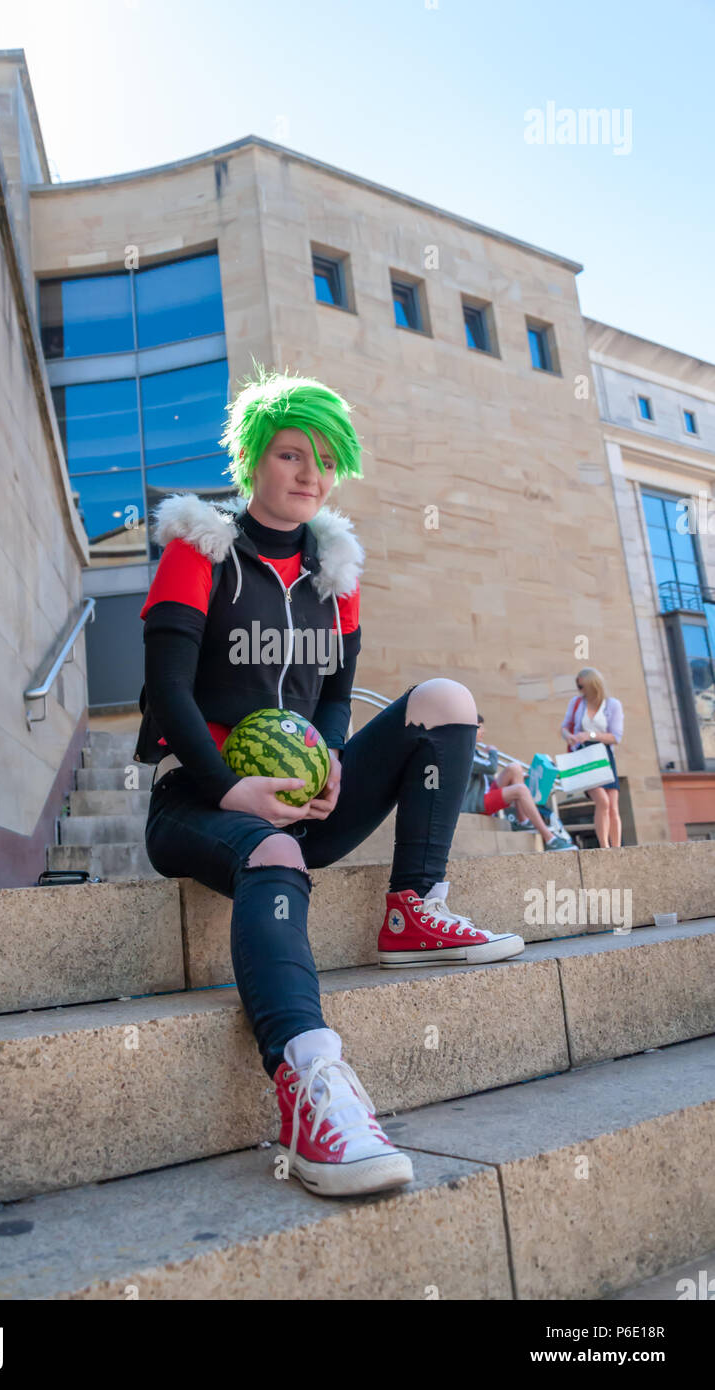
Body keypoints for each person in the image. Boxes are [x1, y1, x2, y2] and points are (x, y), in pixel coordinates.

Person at [138, 364, 525, 1200]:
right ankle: (312, 1088)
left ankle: (412, 906)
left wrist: (335, 763)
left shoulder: (333, 573)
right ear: (252, 463)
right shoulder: (198, 551)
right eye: (288, 454)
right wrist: (230, 791)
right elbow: (166, 692)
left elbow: (340, 694)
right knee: (273, 852)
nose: (308, 472)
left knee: (445, 702)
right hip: (200, 802)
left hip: (303, 799)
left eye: (322, 457)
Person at [462, 715, 573, 850]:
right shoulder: (463, 752)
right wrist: (493, 752)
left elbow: (486, 779)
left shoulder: (473, 750)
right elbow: (491, 768)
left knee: (515, 768)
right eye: (479, 728)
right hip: (476, 803)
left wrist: (517, 777)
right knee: (520, 790)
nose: (484, 731)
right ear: (469, 731)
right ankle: (550, 839)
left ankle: (523, 821)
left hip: (483, 795)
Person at [560, 668, 624, 848]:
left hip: (604, 754)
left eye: (582, 685)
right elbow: (564, 727)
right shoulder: (576, 703)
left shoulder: (612, 705)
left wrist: (590, 735)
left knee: (613, 806)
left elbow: (616, 737)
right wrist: (569, 736)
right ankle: (604, 846)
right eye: (578, 686)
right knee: (602, 801)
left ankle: (616, 848)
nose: (579, 689)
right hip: (584, 756)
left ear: (591, 684)